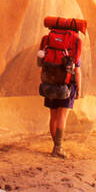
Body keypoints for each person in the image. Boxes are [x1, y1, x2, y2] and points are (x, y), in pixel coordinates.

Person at [38, 17, 84, 158]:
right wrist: (79, 89)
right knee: (62, 116)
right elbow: (76, 70)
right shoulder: (72, 45)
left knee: (53, 116)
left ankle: (56, 145)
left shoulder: (48, 42)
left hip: (49, 83)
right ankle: (58, 148)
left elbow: (41, 65)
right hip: (66, 85)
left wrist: (45, 82)